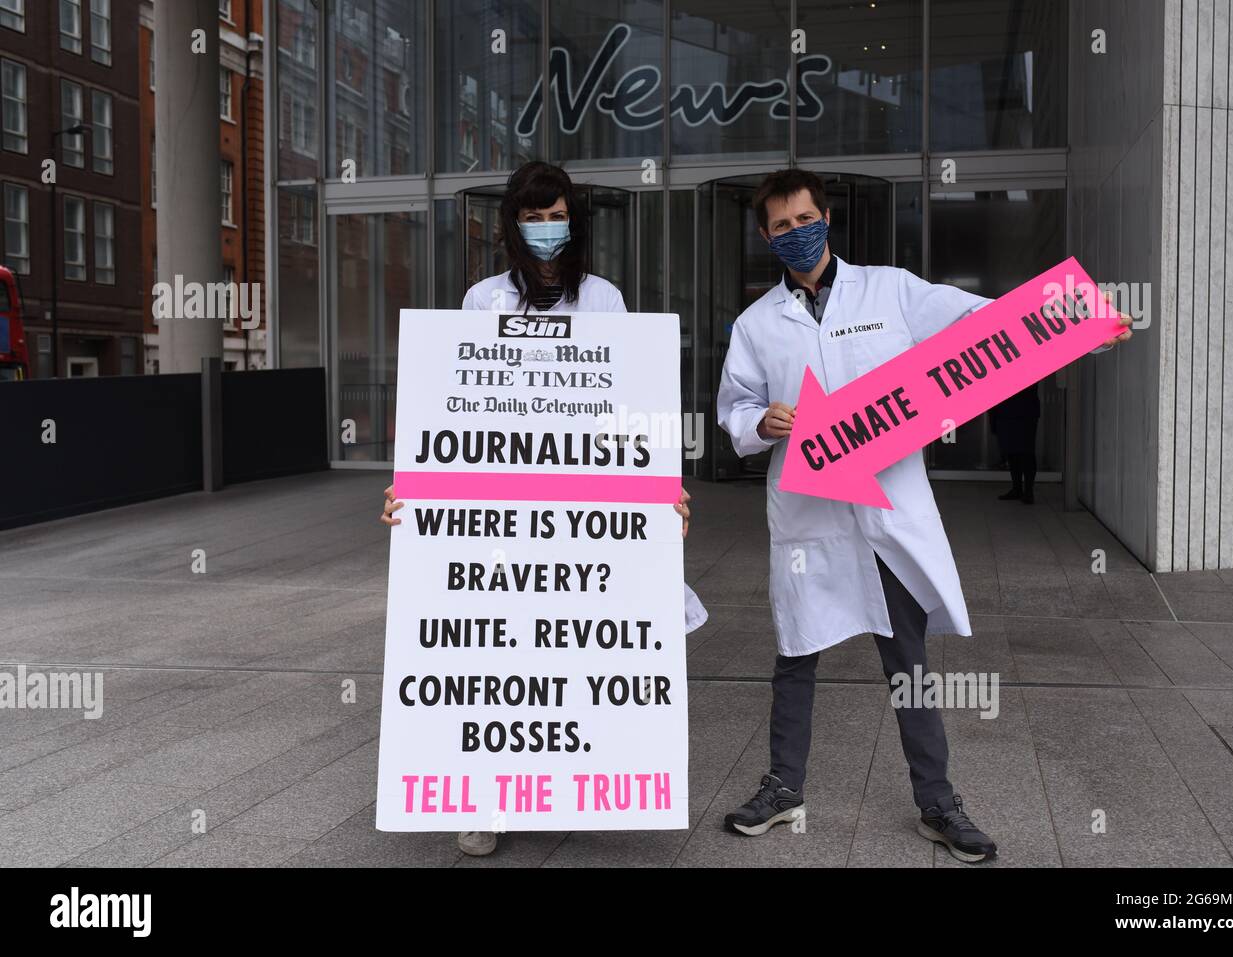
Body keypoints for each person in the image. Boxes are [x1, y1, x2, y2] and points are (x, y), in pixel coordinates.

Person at [716, 168, 1132, 862]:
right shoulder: (756, 324)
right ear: (766, 236)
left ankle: (937, 802)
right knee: (796, 653)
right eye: (781, 226)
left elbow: (985, 327)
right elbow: (732, 409)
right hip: (809, 520)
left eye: (805, 218)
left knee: (906, 661)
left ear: (827, 218)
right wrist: (760, 419)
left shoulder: (890, 290)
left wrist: (1079, 326)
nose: (796, 233)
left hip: (886, 511)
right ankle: (783, 787)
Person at [380, 161, 705, 858]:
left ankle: (566, 781)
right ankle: (484, 799)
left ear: (574, 218)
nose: (543, 228)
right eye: (530, 217)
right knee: (498, 648)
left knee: (573, 644)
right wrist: (417, 488)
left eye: (553, 213)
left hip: (583, 505)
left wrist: (659, 489)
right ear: (511, 226)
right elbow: (457, 414)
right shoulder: (480, 302)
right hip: (506, 508)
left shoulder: (607, 302)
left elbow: (629, 411)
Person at [989, 386, 1041, 504]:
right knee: (1013, 451)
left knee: (1026, 452)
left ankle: (1027, 491)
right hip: (1010, 411)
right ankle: (1019, 489)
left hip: (1023, 412)